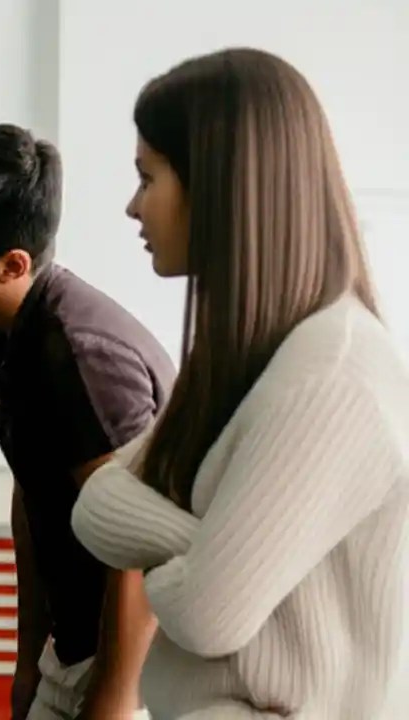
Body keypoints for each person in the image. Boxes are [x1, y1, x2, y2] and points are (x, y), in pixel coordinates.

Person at [69, 47, 409, 719]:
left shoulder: (330, 374)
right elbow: (96, 507)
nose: (133, 208)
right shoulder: (251, 359)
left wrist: (215, 562)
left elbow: (206, 614)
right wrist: (215, 548)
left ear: (220, 184)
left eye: (148, 177)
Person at [0, 124, 175, 719]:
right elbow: (34, 493)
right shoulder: (8, 334)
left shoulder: (80, 357)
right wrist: (28, 659)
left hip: (134, 668)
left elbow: (138, 548)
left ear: (11, 265)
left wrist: (112, 702)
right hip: (75, 652)